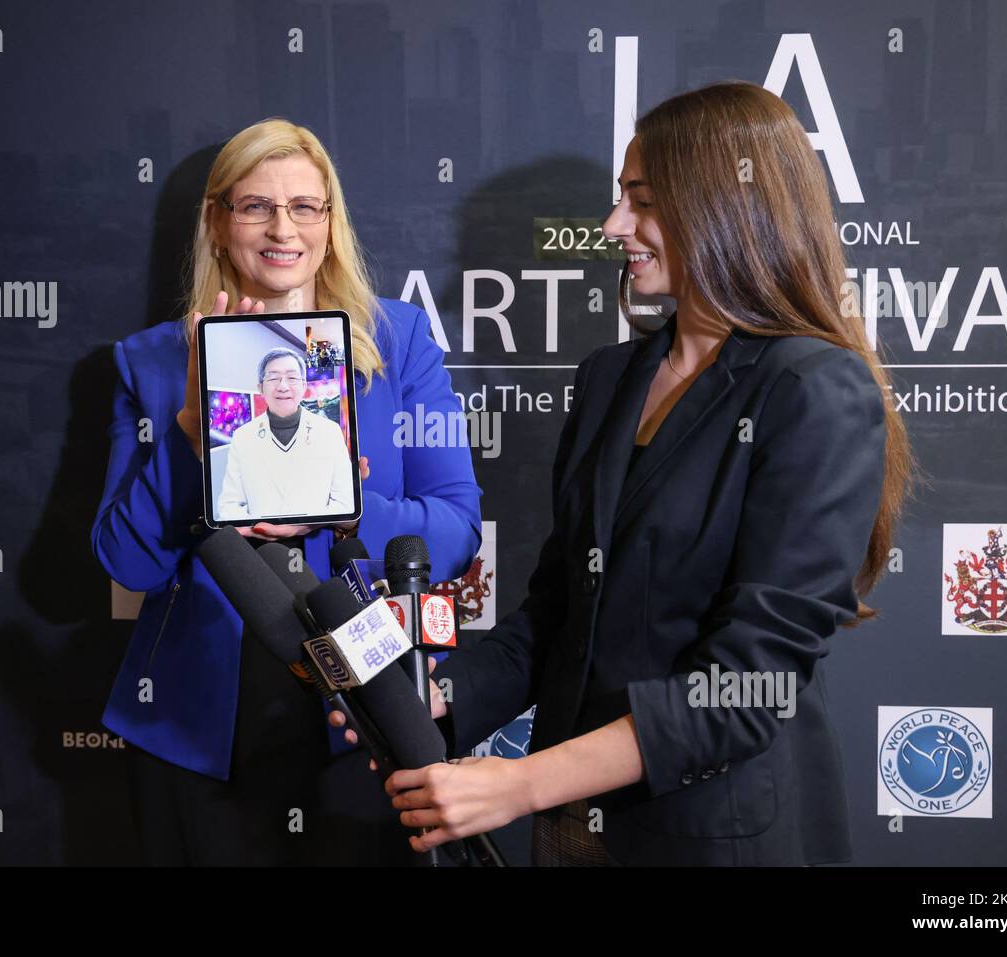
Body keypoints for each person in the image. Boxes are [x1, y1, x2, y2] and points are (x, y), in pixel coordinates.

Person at [335, 81, 913, 866]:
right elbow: (557, 620)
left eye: (641, 201)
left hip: (712, 838)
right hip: (570, 830)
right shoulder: (609, 377)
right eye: (620, 200)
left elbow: (750, 686)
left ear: (723, 206)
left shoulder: (813, 389)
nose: (613, 227)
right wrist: (432, 701)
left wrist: (517, 783)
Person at [91, 118, 481, 865]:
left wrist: (345, 508)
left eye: (305, 206)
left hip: (365, 708)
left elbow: (459, 528)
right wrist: (187, 430)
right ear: (217, 219)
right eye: (255, 206)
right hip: (200, 727)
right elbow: (128, 564)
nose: (283, 228)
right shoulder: (150, 362)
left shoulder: (400, 344)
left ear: (331, 222)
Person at [215, 346, 354, 522]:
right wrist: (258, 527)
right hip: (259, 545)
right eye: (273, 378)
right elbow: (229, 505)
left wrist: (307, 524)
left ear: (304, 386)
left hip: (316, 540)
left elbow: (346, 502)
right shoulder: (243, 437)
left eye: (292, 377)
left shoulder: (329, 432)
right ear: (260, 388)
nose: (283, 386)